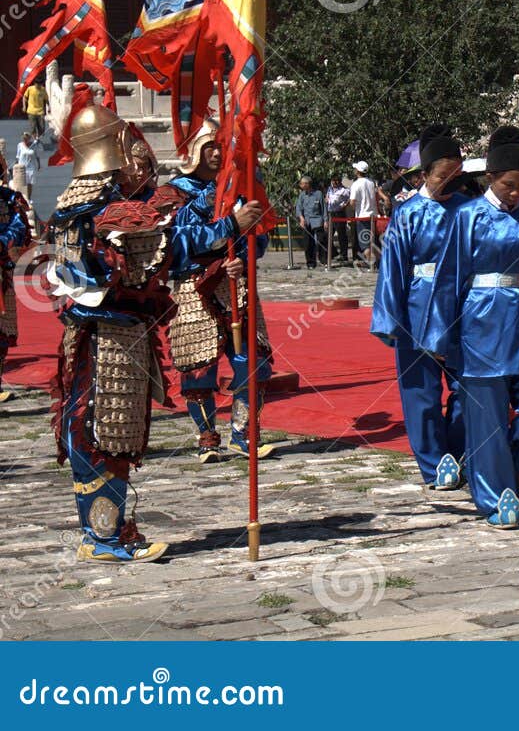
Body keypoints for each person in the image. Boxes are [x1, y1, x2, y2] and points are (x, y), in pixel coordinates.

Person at [424, 127, 519, 529]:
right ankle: (494, 497)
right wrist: (441, 333)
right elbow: (449, 276)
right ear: (491, 177)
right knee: (486, 411)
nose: (516, 193)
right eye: (510, 185)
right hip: (480, 318)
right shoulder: (466, 216)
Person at [47, 102, 171, 560]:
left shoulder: (74, 199)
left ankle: (104, 529)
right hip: (108, 330)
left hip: (98, 328)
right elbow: (92, 272)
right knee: (105, 427)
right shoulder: (101, 203)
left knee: (98, 425)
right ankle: (103, 535)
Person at [165, 119, 271, 460]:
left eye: (219, 147)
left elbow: (260, 236)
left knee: (252, 362)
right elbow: (174, 245)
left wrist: (242, 255)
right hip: (194, 287)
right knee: (198, 368)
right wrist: (225, 231)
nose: (215, 153)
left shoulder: (241, 190)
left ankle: (243, 434)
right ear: (195, 152)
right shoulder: (174, 194)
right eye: (209, 146)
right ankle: (207, 435)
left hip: (235, 285)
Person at [370, 125, 467, 491]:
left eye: (457, 174)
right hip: (418, 309)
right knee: (421, 392)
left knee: (466, 386)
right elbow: (393, 270)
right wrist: (389, 318)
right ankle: (433, 463)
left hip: (462, 307)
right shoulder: (408, 214)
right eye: (444, 176)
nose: (451, 182)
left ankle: (458, 453)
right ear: (425, 175)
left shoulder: (469, 210)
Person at [0, 145, 33, 404]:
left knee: (1, 332)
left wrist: (2, 242)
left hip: (2, 272)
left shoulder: (10, 200)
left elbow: (20, 229)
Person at [294, 176, 327, 269]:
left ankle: (324, 260)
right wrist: (301, 218)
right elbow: (298, 208)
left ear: (308, 184)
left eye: (303, 183)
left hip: (318, 220)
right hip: (307, 221)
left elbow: (323, 208)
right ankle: (310, 263)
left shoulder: (318, 194)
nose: (301, 185)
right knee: (308, 243)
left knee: (321, 240)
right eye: (301, 183)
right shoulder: (302, 195)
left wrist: (325, 221)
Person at [350, 161, 378, 267]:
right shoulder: (372, 182)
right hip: (373, 215)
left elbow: (352, 201)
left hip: (362, 216)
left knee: (364, 245)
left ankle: (373, 265)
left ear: (358, 171)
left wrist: (354, 209)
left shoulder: (356, 184)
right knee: (372, 242)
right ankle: (374, 262)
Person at [325, 173, 352, 265]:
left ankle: (344, 255)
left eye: (337, 180)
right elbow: (327, 197)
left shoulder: (344, 190)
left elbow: (350, 197)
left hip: (339, 213)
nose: (335, 182)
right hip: (330, 213)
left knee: (341, 235)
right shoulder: (329, 189)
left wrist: (345, 204)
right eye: (333, 180)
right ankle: (333, 253)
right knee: (328, 234)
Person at [15, 130, 40, 206]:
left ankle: (28, 198)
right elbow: (18, 156)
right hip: (22, 167)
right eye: (24, 139)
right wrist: (16, 166)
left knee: (30, 183)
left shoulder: (33, 145)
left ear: (29, 139)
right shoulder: (20, 145)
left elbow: (36, 156)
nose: (25, 140)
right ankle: (22, 198)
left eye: (26, 139)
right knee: (22, 183)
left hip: (31, 167)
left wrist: (39, 165)